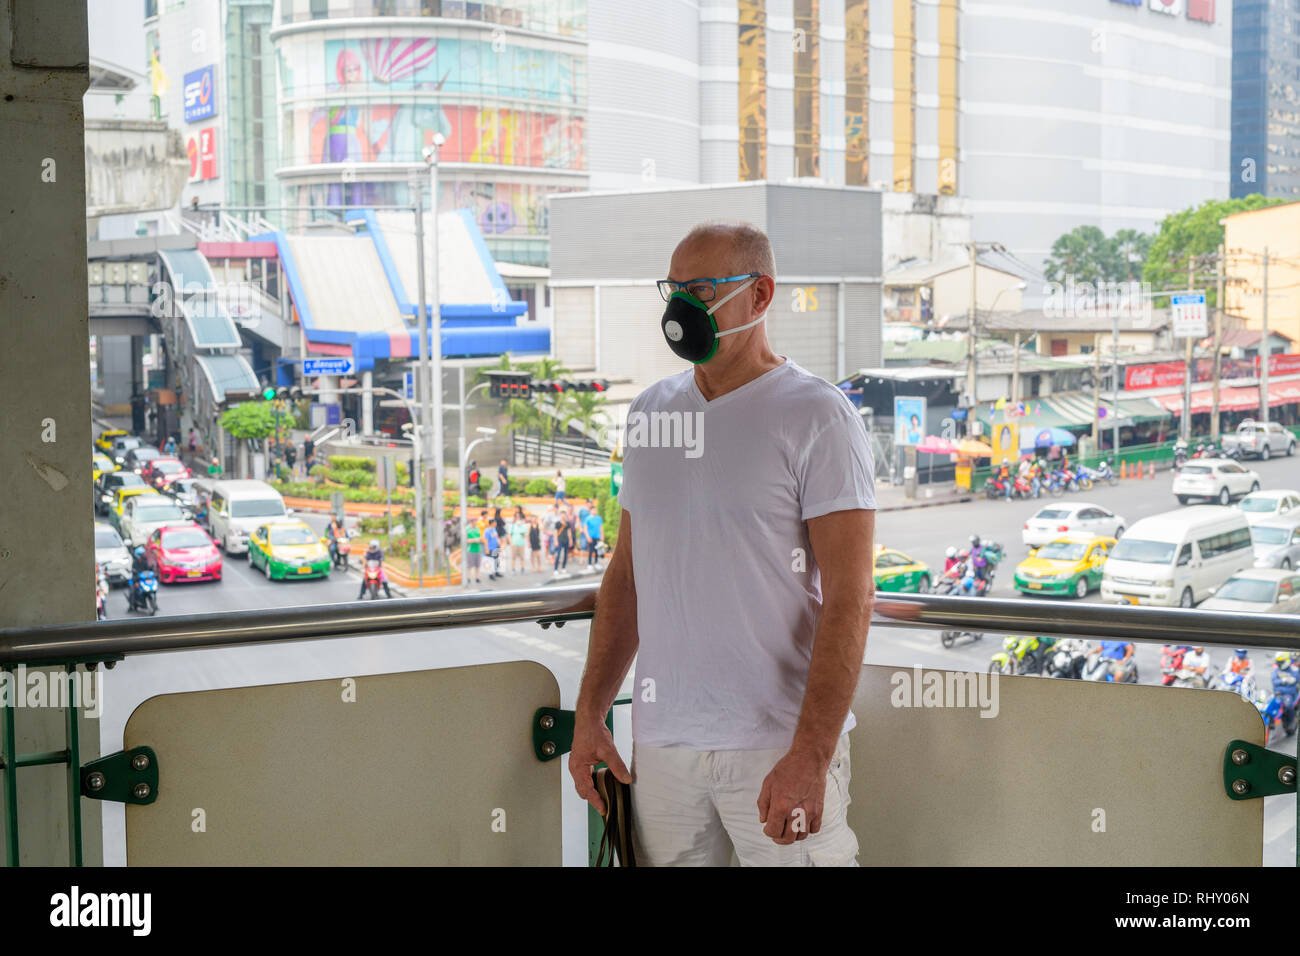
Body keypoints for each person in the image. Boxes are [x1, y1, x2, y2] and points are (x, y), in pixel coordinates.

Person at [569, 221, 874, 866]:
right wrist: (591, 714)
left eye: (702, 290)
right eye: (673, 290)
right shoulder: (650, 413)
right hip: (663, 749)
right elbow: (626, 579)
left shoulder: (817, 415)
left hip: (776, 747)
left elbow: (851, 594)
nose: (682, 308)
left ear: (760, 296)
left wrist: (811, 755)